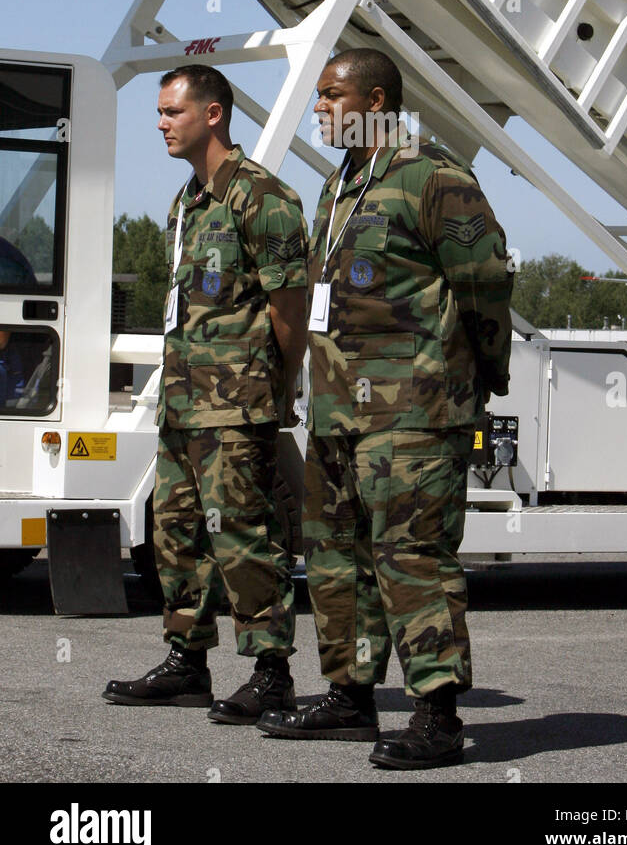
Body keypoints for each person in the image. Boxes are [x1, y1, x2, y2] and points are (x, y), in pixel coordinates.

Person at [259, 48, 513, 769]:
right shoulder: (339, 186)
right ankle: (349, 697)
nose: (319, 107)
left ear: (375, 102)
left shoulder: (432, 176)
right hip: (338, 412)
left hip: (413, 415)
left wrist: (481, 372)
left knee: (414, 562)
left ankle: (437, 716)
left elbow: (486, 281)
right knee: (337, 562)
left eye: (331, 95)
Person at [104, 64, 308, 719]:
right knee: (176, 530)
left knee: (242, 533)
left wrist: (276, 388)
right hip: (184, 400)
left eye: (172, 112)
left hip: (236, 402)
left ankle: (271, 672)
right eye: (160, 114)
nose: (161, 124)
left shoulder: (261, 197)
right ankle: (187, 661)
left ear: (212, 114)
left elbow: (289, 308)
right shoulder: (188, 201)